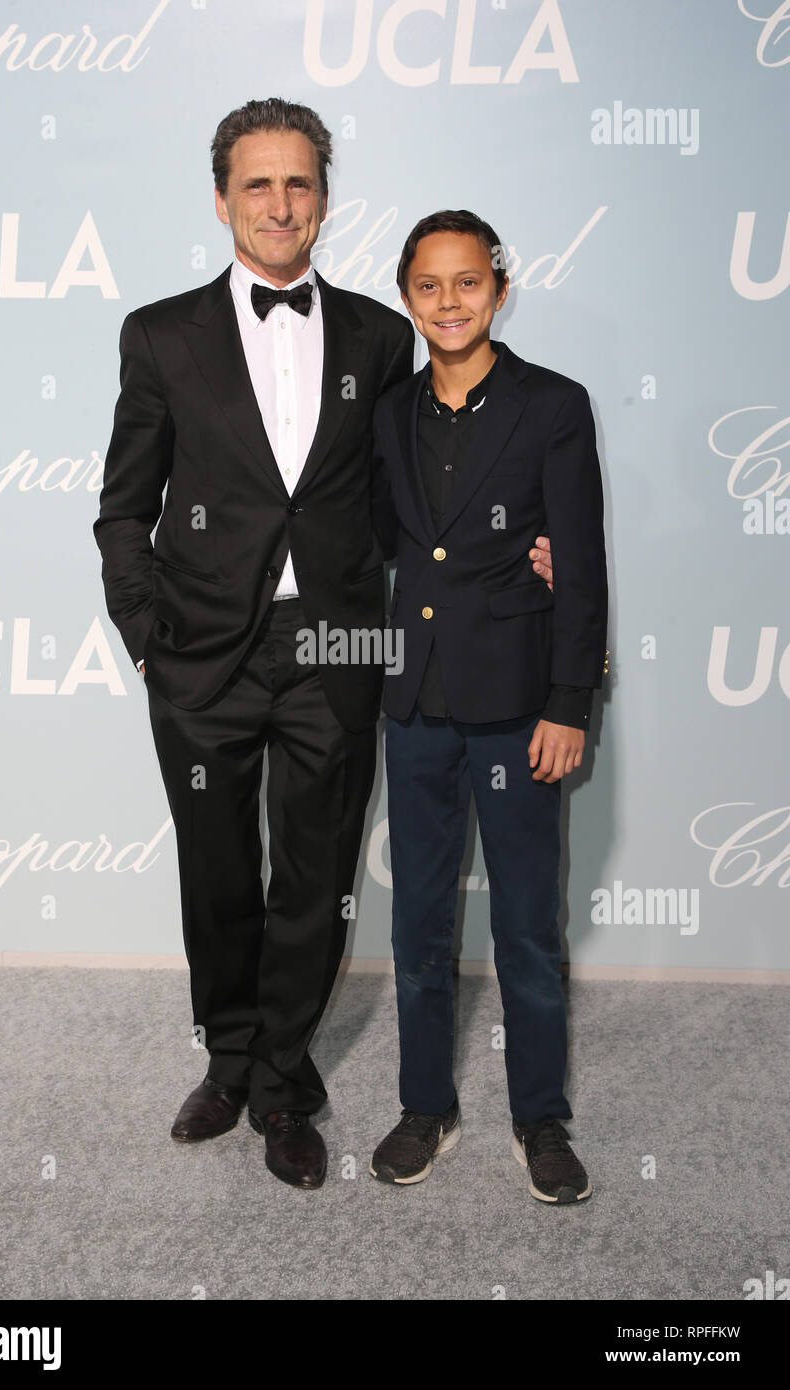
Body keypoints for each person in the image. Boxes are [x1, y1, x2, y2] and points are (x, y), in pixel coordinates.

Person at [94, 103, 555, 1190]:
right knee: (218, 874)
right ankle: (228, 1055)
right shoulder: (159, 335)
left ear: (324, 200)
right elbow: (123, 507)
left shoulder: (376, 335)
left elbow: (411, 497)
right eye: (257, 185)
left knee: (315, 876)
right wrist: (146, 635)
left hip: (339, 643)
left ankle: (284, 1082)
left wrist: (514, 552)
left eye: (298, 184)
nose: (279, 204)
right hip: (202, 651)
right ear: (222, 199)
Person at [368, 210, 608, 1204]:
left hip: (517, 707)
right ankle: (425, 1103)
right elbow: (378, 538)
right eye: (429, 285)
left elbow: (582, 563)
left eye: (468, 283)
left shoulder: (553, 404)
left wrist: (566, 702)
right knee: (418, 924)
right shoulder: (385, 411)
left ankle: (539, 1115)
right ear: (407, 297)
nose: (449, 301)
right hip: (415, 705)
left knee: (526, 929)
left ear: (500, 291)